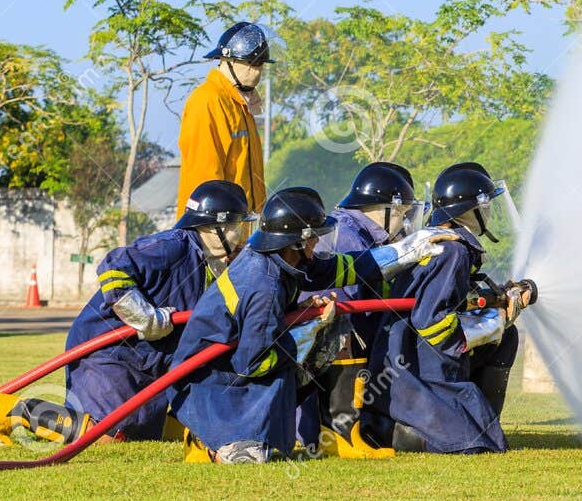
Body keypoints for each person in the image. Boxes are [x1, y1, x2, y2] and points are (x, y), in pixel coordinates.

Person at [169, 187, 455, 464]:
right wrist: (307, 331)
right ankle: (204, 440)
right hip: (212, 385)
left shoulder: (280, 258)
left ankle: (335, 431)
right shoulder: (263, 285)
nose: (317, 243)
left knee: (335, 327)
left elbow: (347, 267)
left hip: (232, 371)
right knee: (251, 458)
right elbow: (254, 362)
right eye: (313, 237)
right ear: (297, 241)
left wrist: (408, 250)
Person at [0, 181, 256, 446]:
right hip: (107, 351)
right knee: (105, 436)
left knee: (141, 435)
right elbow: (113, 268)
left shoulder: (212, 264)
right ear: (213, 228)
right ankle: (10, 411)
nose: (242, 237)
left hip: (148, 360)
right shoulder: (172, 246)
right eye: (237, 227)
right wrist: (145, 318)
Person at [363, 162, 533, 454]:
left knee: (508, 338)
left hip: (406, 359)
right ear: (469, 209)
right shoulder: (452, 251)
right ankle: (408, 432)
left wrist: (495, 304)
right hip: (419, 369)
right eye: (486, 205)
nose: (491, 212)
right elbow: (434, 323)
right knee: (479, 444)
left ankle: (461, 422)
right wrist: (497, 320)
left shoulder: (440, 243)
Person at [313, 161, 419, 455]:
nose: (404, 222)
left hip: (325, 327)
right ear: (385, 209)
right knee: (347, 331)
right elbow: (358, 302)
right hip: (321, 329)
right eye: (401, 214)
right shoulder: (347, 234)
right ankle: (340, 432)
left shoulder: (356, 230)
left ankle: (363, 425)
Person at [175, 21, 270, 214]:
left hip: (240, 229)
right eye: (252, 63)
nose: (257, 70)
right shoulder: (208, 100)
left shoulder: (242, 104)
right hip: (213, 229)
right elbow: (203, 178)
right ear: (229, 61)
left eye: (261, 64)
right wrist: (213, 232)